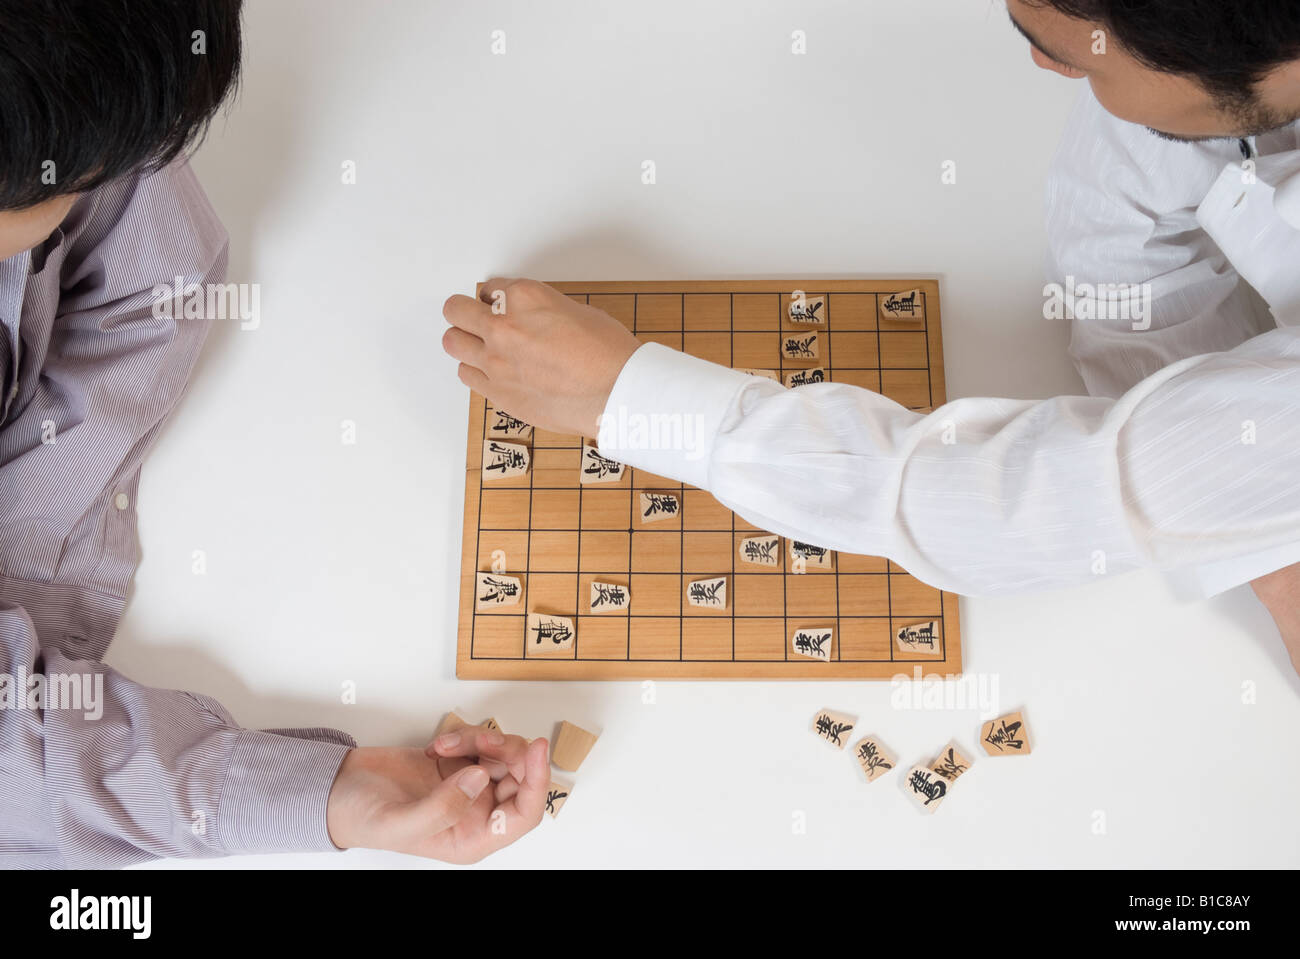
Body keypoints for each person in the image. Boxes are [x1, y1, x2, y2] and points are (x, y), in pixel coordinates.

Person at [442, 0, 1300, 674]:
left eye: (1070, 53)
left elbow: (993, 507)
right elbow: (1128, 213)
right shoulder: (1222, 65)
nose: (1042, 62)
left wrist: (625, 397)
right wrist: (1224, 489)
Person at [0, 0, 547, 868]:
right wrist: (316, 795)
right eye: (58, 185)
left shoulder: (58, 102)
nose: (83, 191)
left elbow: (152, 259)